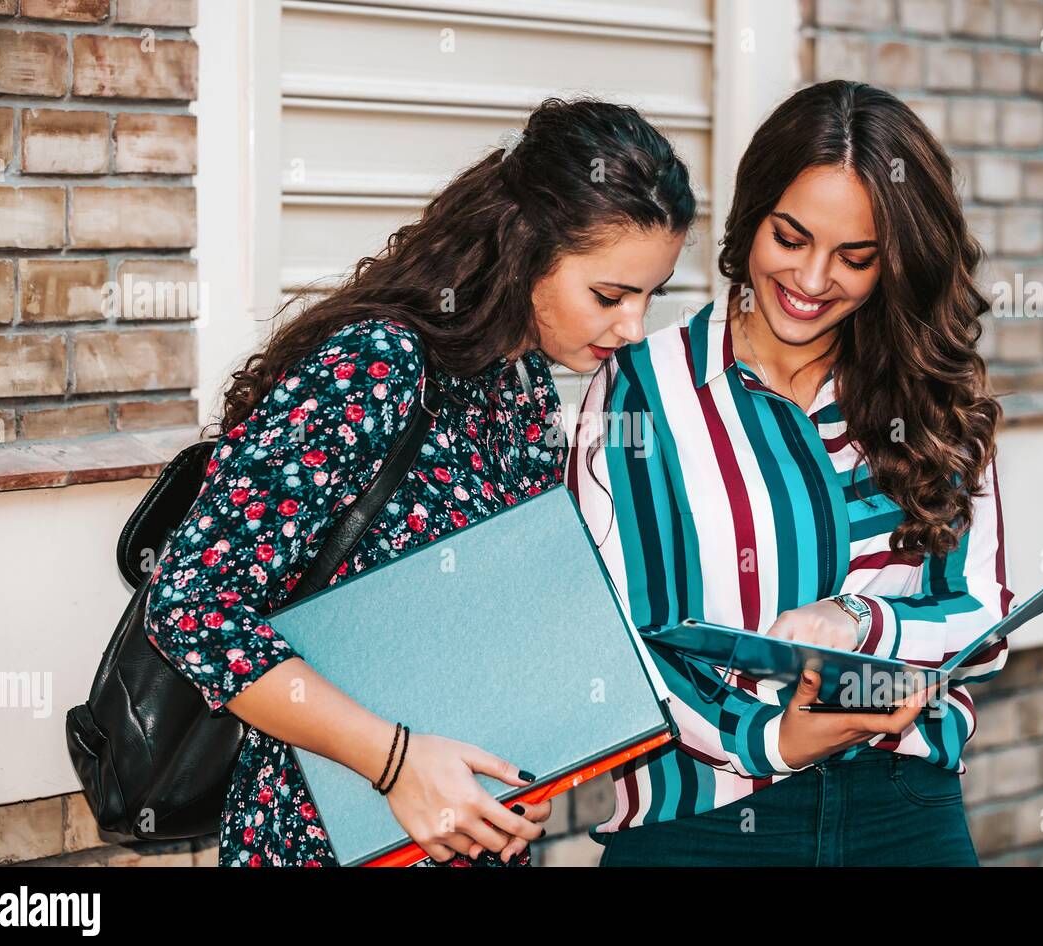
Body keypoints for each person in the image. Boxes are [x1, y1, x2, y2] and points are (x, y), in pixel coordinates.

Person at [144, 97, 695, 867]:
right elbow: (193, 609)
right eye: (609, 295)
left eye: (650, 295)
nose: (633, 327)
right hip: (324, 837)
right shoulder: (376, 366)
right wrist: (396, 763)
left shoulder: (523, 383)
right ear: (527, 249)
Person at [567, 80, 1016, 866]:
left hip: (903, 814)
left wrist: (859, 623)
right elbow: (626, 643)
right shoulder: (644, 389)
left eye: (855, 257)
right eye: (791, 236)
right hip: (701, 826)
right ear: (751, 216)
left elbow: (983, 618)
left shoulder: (932, 391)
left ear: (894, 263)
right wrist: (773, 737)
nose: (812, 280)